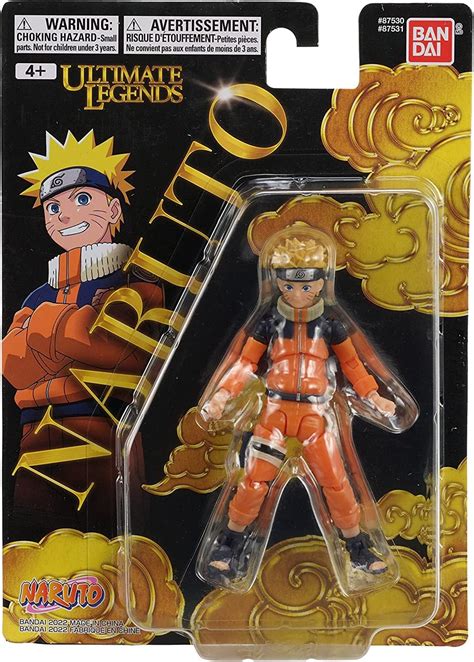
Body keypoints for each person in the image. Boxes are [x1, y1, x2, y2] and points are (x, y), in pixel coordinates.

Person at [202, 235, 396, 580]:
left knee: (336, 482)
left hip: (314, 417)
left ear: (321, 283)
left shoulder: (331, 325)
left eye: (306, 286)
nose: (297, 293)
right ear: (278, 283)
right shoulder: (269, 322)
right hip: (275, 413)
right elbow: (245, 363)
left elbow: (353, 366)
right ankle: (228, 544)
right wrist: (222, 395)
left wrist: (374, 396)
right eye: (289, 285)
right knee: (254, 482)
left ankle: (358, 546)